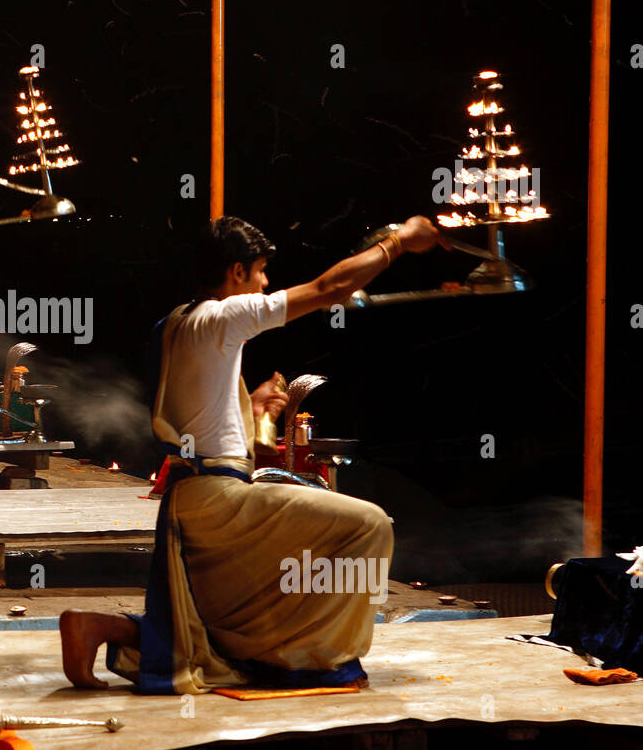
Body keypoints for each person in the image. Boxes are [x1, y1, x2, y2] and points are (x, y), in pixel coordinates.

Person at [58, 214, 444, 693]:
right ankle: (308, 658)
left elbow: (195, 417)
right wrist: (399, 241)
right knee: (368, 525)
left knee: (232, 608)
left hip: (196, 497)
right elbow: (330, 287)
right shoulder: (222, 316)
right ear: (236, 272)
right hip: (217, 502)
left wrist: (252, 407)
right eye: (260, 271)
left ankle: (97, 626)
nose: (266, 283)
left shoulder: (178, 322)